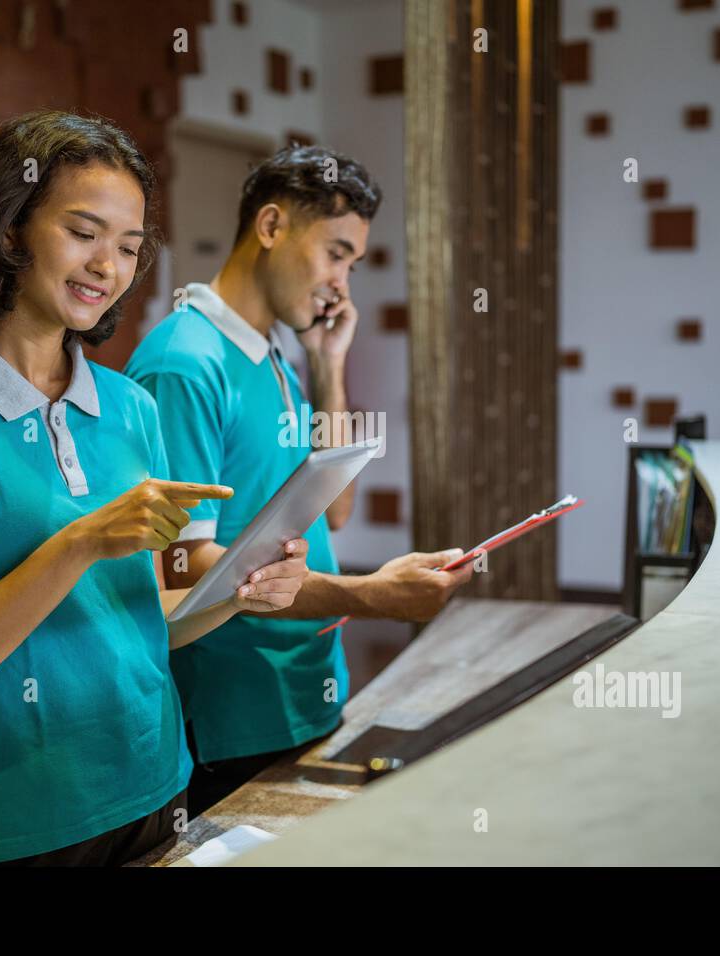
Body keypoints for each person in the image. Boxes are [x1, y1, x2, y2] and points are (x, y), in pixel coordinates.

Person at [0, 111, 310, 867]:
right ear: (7, 231)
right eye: (84, 232)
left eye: (130, 248)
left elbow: (138, 623)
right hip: (22, 827)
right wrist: (80, 542)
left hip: (158, 787)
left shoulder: (130, 406)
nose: (110, 265)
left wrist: (237, 592)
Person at [125, 145, 473, 817]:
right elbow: (182, 571)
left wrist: (328, 363)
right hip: (233, 712)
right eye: (335, 252)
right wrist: (372, 597)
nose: (342, 283)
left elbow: (335, 510)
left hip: (306, 684)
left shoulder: (276, 355)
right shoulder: (185, 363)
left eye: (353, 263)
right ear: (272, 227)